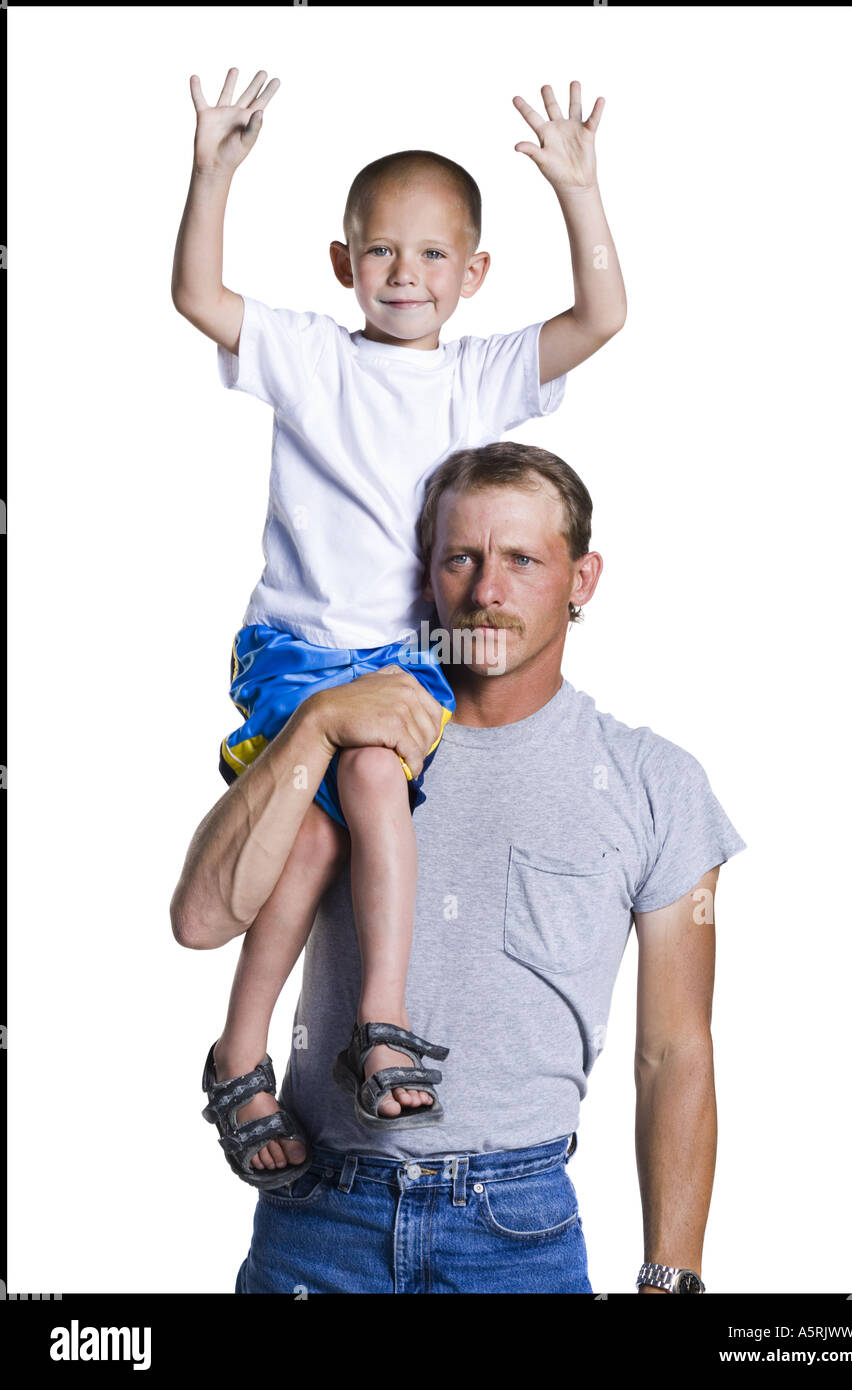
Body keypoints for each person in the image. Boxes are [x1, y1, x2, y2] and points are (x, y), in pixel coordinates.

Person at [170, 67, 627, 1179]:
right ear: (344, 264)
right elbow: (197, 296)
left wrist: (578, 186)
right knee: (333, 810)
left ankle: (290, 1044)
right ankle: (309, 1039)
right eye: (381, 250)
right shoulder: (311, 355)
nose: (405, 273)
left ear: (472, 274)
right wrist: (211, 171)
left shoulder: (475, 378)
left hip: (406, 660)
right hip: (293, 651)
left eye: (432, 255)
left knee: (338, 818)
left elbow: (601, 317)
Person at [170, 442, 746, 1295]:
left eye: (521, 559)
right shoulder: (345, 741)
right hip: (317, 1217)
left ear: (582, 579)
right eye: (461, 559)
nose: (487, 591)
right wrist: (319, 723)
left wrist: (673, 1274)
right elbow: (200, 921)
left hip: (516, 1232)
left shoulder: (653, 784)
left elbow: (673, 1051)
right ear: (426, 572)